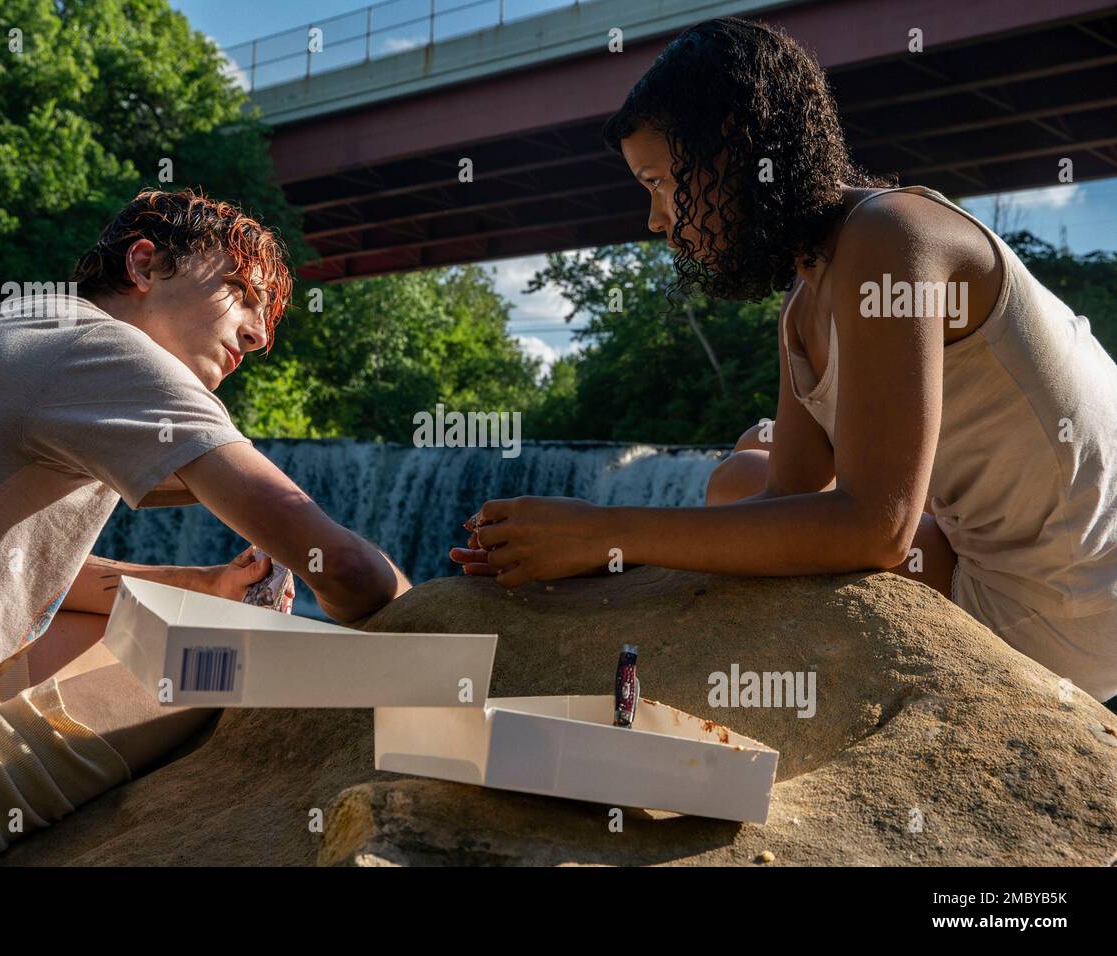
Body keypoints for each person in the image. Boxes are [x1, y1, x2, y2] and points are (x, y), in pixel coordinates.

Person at [451, 18, 1117, 706]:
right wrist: (588, 552)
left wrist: (603, 532)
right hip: (999, 557)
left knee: (740, 485)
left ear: (734, 149)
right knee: (746, 466)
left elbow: (874, 530)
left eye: (658, 182)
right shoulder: (808, 296)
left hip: (1065, 605)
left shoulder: (892, 237)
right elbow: (790, 494)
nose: (656, 219)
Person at [0, 188, 411, 864]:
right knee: (253, 647)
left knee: (155, 620)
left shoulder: (10, 330)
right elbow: (352, 576)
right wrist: (429, 630)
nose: (259, 334)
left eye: (266, 318)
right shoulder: (112, 354)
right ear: (145, 263)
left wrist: (201, 583)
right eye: (241, 291)